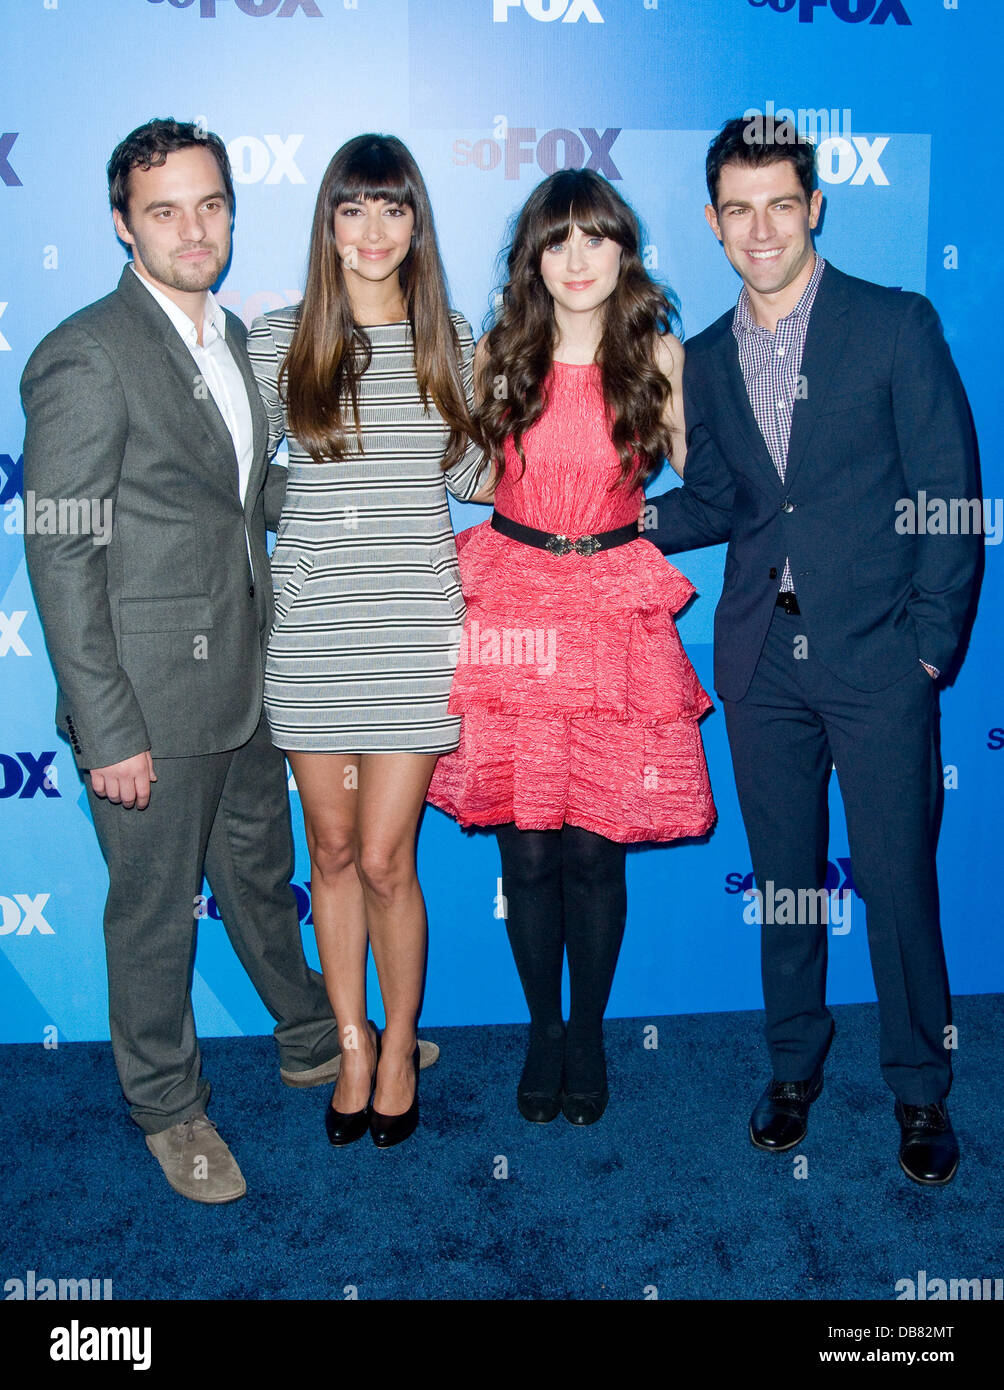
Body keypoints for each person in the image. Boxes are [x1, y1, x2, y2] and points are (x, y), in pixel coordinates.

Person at [646, 116, 979, 1184]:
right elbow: (720, 503)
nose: (759, 228)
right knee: (785, 884)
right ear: (710, 221)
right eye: (736, 210)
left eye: (779, 204)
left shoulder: (892, 326)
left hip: (879, 659)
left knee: (895, 883)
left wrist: (928, 648)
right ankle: (792, 1066)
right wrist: (608, 525)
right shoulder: (700, 359)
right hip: (760, 664)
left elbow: (946, 495)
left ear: (814, 207)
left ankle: (918, 1088)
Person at [20, 119, 347, 1204]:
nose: (191, 227)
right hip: (150, 705)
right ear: (122, 224)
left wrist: (347, 502)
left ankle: (311, 1037)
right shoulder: (87, 352)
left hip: (244, 679)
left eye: (209, 204)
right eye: (163, 209)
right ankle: (168, 1109)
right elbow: (60, 547)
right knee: (155, 912)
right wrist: (108, 725)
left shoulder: (232, 342)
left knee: (259, 879)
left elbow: (240, 500)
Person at [427, 169, 716, 1126]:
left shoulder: (660, 357)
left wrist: (624, 538)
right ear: (535, 258)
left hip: (608, 617)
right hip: (511, 611)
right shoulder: (500, 354)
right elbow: (456, 475)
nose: (580, 258)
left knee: (597, 853)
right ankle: (542, 1028)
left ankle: (587, 1031)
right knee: (528, 853)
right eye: (560, 240)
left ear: (624, 252)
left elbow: (715, 489)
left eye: (598, 238)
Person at [247, 135, 491, 1150]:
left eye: (393, 209)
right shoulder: (275, 339)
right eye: (354, 209)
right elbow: (235, 484)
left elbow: (478, 482)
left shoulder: (451, 340)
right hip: (311, 641)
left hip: (411, 640)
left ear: (416, 224)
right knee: (333, 852)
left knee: (388, 859)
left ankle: (398, 1045)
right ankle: (349, 1042)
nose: (374, 231)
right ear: (328, 224)